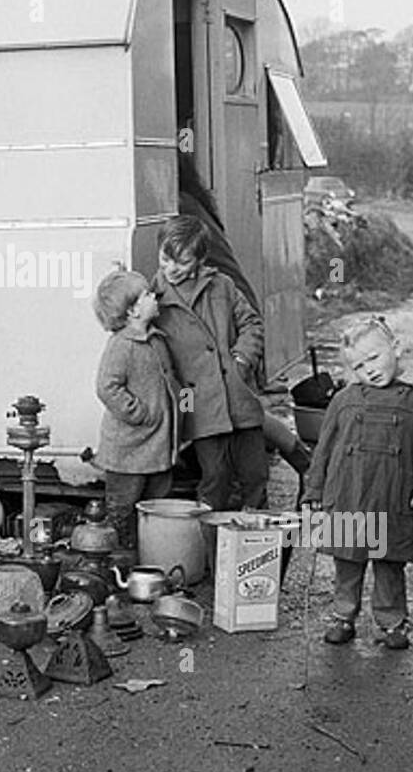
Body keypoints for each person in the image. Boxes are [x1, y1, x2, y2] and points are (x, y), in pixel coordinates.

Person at [303, 315, 413, 650]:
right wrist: (314, 491)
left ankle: (392, 622)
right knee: (347, 563)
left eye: (374, 358)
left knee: (389, 565)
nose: (368, 369)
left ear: (396, 348)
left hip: (394, 498)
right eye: (358, 365)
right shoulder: (344, 400)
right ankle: (343, 615)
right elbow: (323, 449)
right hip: (348, 494)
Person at [176, 152, 314, 498]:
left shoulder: (178, 206)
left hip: (226, 317)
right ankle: (295, 459)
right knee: (233, 410)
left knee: (235, 411)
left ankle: (294, 462)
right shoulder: (192, 201)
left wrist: (239, 358)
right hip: (219, 315)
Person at [152, 216, 267, 514]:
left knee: (255, 478)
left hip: (238, 398)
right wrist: (184, 412)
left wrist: (242, 360)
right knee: (215, 479)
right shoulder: (153, 300)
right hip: (199, 406)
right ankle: (212, 552)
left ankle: (257, 552)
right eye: (166, 258)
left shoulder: (222, 286)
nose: (171, 268)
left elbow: (252, 323)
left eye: (182, 261)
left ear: (201, 260)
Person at [92, 269, 182, 555]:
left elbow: (173, 382)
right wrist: (140, 413)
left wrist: (185, 411)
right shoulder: (122, 346)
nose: (154, 296)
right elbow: (107, 387)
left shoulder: (157, 339)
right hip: (127, 453)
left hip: (157, 448)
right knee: (121, 513)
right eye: (146, 295)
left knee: (154, 510)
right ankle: (119, 566)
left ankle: (149, 562)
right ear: (132, 311)